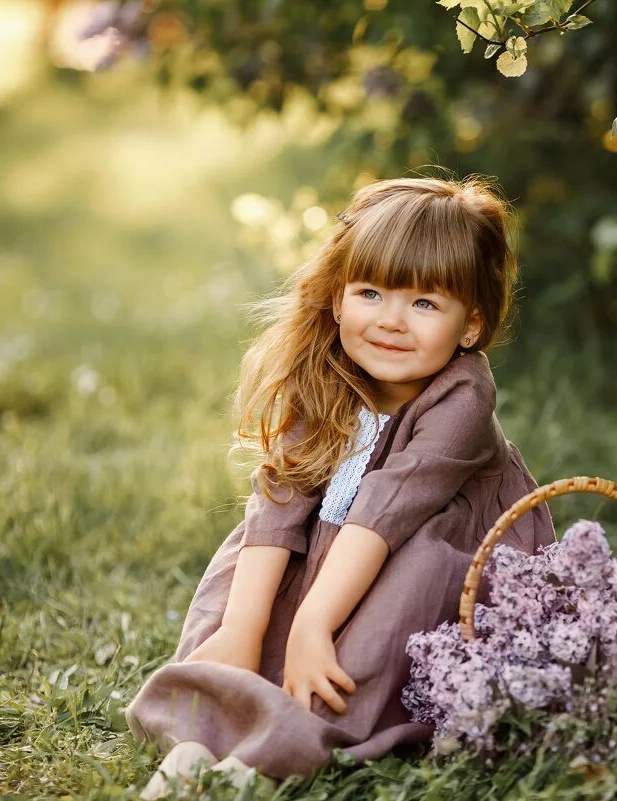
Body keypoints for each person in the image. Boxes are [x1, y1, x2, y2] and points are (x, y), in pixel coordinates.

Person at [126, 175, 555, 798]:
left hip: (421, 560)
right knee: (246, 594)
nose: (390, 321)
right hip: (331, 557)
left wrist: (314, 625)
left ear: (470, 325)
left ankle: (282, 745)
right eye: (371, 292)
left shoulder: (463, 396)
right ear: (336, 299)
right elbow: (281, 499)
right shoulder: (326, 372)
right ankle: (207, 729)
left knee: (392, 604)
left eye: (425, 304)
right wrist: (247, 626)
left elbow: (385, 516)